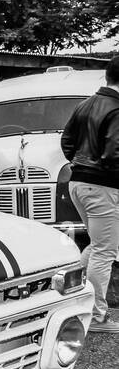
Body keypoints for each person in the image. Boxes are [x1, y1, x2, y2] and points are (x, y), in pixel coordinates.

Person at [61, 55, 119, 333]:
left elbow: (67, 141)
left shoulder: (85, 104)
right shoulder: (117, 109)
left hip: (79, 182)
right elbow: (114, 154)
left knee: (97, 247)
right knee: (105, 252)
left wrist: (81, 164)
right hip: (103, 186)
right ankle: (96, 317)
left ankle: (71, 296)